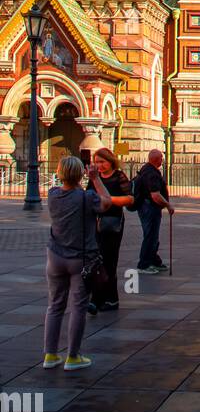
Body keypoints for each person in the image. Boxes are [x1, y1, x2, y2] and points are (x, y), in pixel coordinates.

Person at [43, 155, 113, 371]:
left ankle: (50, 355)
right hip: (80, 259)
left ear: (59, 173)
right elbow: (108, 202)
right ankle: (73, 356)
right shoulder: (87, 198)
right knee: (78, 307)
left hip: (55, 257)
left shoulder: (52, 194)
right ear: (81, 174)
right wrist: (96, 179)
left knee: (54, 305)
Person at [88, 148, 134, 312]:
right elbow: (88, 195)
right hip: (96, 222)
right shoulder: (95, 177)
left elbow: (129, 199)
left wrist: (108, 199)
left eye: (102, 162)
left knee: (109, 261)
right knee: (95, 260)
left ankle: (111, 299)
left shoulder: (118, 176)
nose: (99, 165)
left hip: (113, 223)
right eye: (97, 162)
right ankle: (97, 299)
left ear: (110, 161)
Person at [134, 150, 175, 273]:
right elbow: (155, 195)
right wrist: (168, 205)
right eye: (161, 158)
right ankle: (144, 264)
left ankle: (154, 261)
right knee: (150, 235)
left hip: (147, 207)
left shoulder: (146, 169)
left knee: (152, 236)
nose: (162, 160)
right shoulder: (152, 173)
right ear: (156, 159)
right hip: (149, 208)